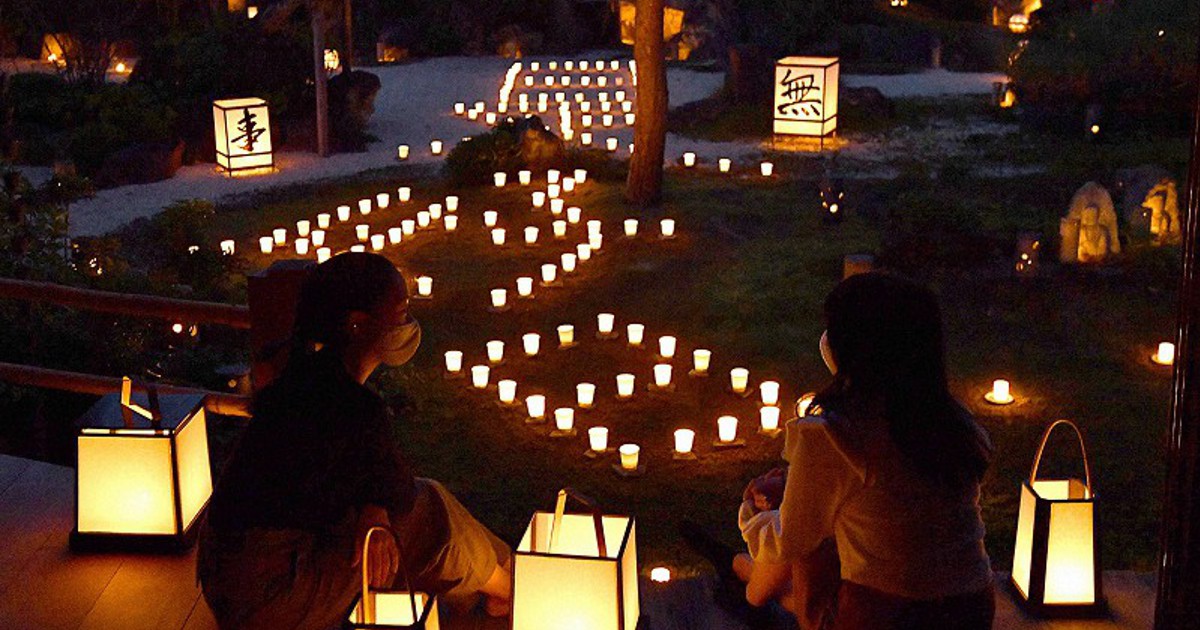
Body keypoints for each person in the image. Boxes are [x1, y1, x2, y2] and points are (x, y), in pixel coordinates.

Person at [198, 252, 512, 630]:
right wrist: (378, 510)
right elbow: (403, 497)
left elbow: (355, 481)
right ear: (358, 325)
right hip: (273, 597)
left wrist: (373, 508)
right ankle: (510, 588)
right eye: (400, 312)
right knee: (431, 513)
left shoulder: (303, 380)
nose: (407, 324)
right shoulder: (350, 406)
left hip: (230, 582)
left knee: (421, 510)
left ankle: (499, 581)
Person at [686, 272, 995, 630]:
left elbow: (789, 541)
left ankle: (750, 587)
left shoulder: (838, 433)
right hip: (970, 614)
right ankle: (745, 575)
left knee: (811, 533)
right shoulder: (954, 424)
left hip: (886, 620)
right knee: (825, 514)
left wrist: (753, 510)